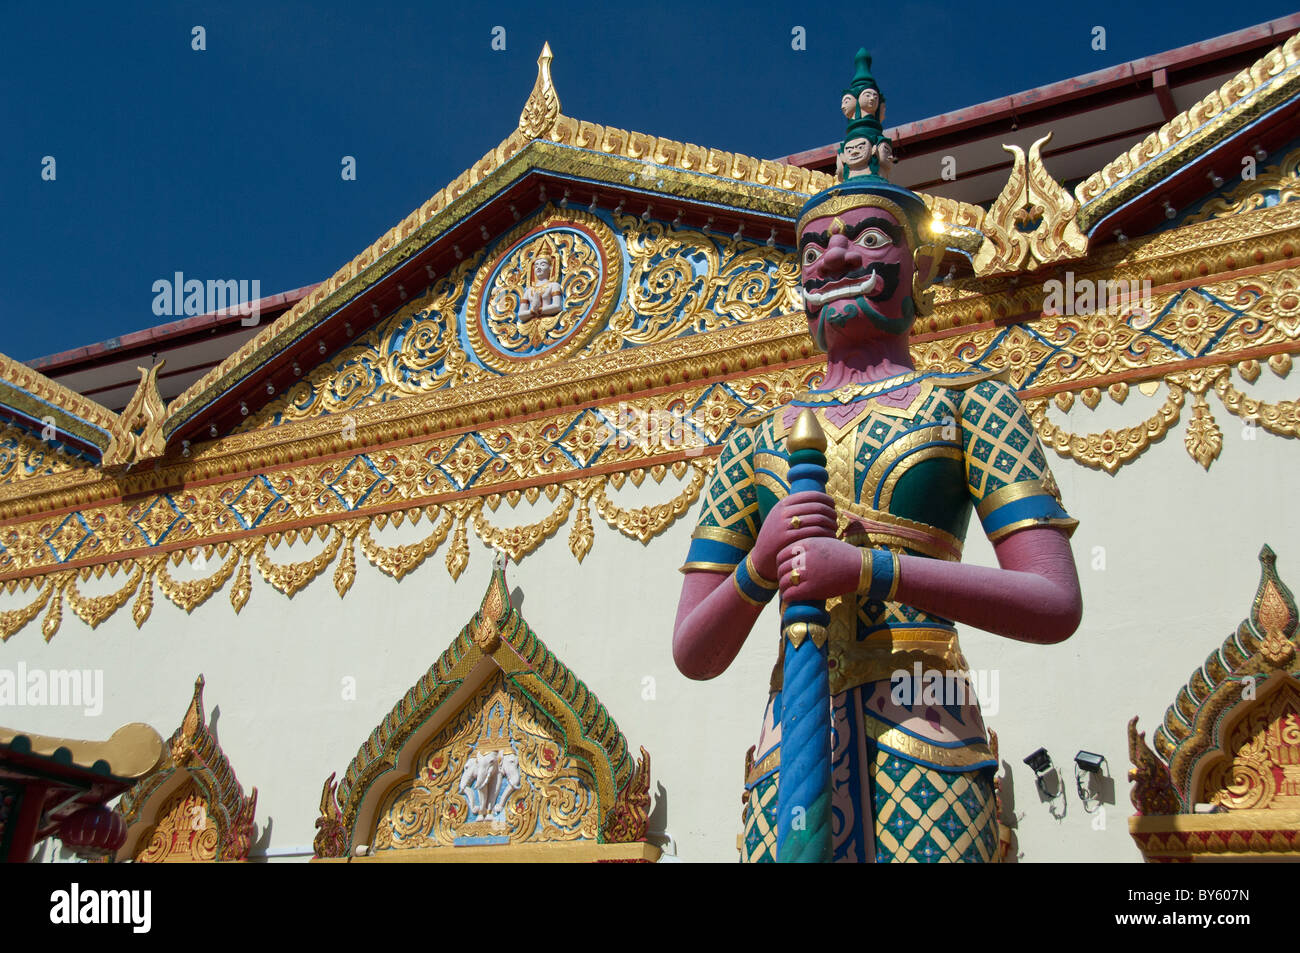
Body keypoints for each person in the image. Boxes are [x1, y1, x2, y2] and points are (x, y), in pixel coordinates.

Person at [671, 56, 1081, 863]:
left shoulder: (969, 399)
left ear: (917, 268)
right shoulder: (757, 436)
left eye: (867, 237)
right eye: (815, 247)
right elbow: (693, 649)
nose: (831, 257)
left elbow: (1051, 599)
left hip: (926, 731)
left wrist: (869, 572)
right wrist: (760, 563)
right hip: (791, 749)